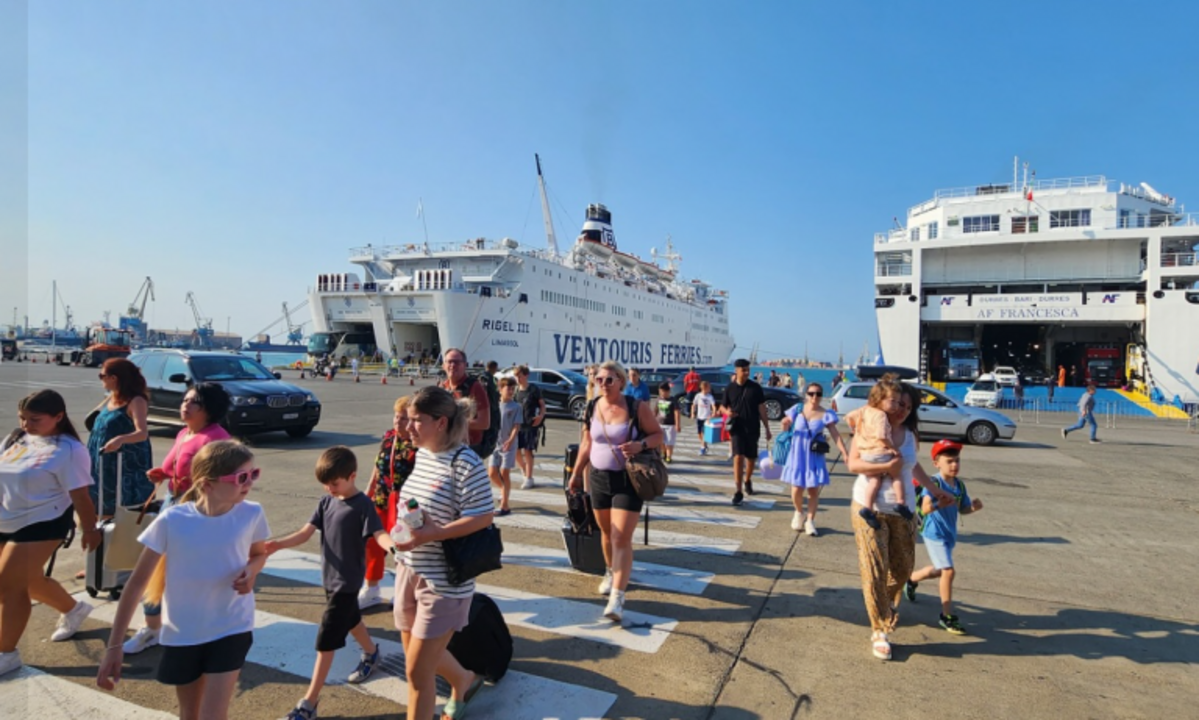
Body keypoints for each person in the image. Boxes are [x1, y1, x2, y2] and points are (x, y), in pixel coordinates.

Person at [97, 441, 270, 720]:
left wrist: (252, 570)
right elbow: (136, 584)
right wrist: (114, 647)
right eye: (241, 477)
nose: (249, 482)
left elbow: (259, 554)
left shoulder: (252, 513)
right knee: (189, 715)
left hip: (232, 626)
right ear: (207, 484)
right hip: (183, 633)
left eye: (253, 474)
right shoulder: (173, 520)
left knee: (212, 716)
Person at [268, 446, 397, 720]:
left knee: (326, 643)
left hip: (346, 584)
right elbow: (305, 533)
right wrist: (276, 544)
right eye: (325, 484)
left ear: (352, 476)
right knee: (351, 620)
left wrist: (395, 549)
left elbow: (378, 532)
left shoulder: (362, 504)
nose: (329, 488)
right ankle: (372, 653)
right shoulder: (326, 502)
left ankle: (309, 703)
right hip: (329, 578)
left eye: (334, 483)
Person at [393, 386, 494, 720]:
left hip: (443, 583)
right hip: (408, 570)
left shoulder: (464, 462)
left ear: (440, 422)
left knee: (417, 674)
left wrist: (436, 533)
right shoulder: (422, 454)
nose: (407, 428)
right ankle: (464, 679)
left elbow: (483, 516)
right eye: (407, 420)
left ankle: (461, 683)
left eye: (415, 421)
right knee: (416, 662)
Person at [121, 383, 232, 655]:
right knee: (155, 568)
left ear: (209, 408)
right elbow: (179, 469)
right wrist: (163, 474)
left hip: (198, 513)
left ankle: (171, 626)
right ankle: (154, 626)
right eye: (185, 400)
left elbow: (226, 482)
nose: (185, 405)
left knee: (174, 571)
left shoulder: (216, 439)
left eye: (194, 401)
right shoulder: (184, 433)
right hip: (173, 506)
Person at [847, 379, 954, 661]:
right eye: (898, 404)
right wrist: (885, 466)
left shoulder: (910, 433)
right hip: (868, 508)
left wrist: (935, 489)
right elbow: (853, 464)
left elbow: (913, 465)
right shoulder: (867, 428)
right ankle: (879, 628)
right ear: (884, 403)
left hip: (903, 510)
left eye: (908, 406)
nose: (903, 410)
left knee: (903, 569)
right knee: (874, 569)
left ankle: (885, 605)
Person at [0, 390, 101, 677]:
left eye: (35, 419)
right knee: (27, 580)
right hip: (6, 517)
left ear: (59, 417)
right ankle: (73, 609)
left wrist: (90, 529)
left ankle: (6, 653)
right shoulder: (15, 438)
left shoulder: (69, 450)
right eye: (22, 418)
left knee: (8, 586)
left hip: (43, 521)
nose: (26, 424)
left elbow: (81, 496)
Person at [568, 361, 663, 623]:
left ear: (621, 381)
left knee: (621, 537)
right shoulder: (591, 407)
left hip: (628, 480)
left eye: (609, 380)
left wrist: (639, 444)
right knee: (607, 533)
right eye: (599, 380)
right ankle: (610, 571)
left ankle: (618, 598)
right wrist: (576, 474)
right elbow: (586, 443)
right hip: (599, 478)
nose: (603, 384)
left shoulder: (636, 407)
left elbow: (658, 435)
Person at [905, 440, 984, 635]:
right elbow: (924, 508)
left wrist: (973, 508)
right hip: (934, 533)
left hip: (949, 535)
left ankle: (911, 579)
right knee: (948, 571)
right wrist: (938, 504)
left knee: (940, 570)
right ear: (936, 463)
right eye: (949, 461)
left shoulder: (959, 485)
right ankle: (946, 616)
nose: (954, 465)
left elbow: (962, 509)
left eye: (957, 461)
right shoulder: (934, 484)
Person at [361, 395, 417, 610]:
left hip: (406, 503)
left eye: (403, 418)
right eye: (396, 416)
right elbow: (378, 465)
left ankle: (402, 592)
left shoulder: (418, 443)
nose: (398, 422)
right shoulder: (389, 437)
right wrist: (369, 489)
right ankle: (372, 588)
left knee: (402, 547)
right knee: (373, 543)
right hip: (382, 498)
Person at [86, 358, 155, 519]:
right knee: (96, 506)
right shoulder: (111, 398)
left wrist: (120, 439)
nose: (100, 379)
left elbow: (142, 433)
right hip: (101, 460)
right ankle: (100, 539)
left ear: (114, 378)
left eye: (101, 375)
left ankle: (110, 539)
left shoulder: (136, 401)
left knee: (115, 508)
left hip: (121, 463)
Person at [779, 383, 848, 536]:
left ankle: (810, 520)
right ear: (806, 394)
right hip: (797, 454)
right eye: (811, 393)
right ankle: (799, 512)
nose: (814, 397)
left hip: (814, 455)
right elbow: (786, 429)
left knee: (813, 490)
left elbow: (835, 434)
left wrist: (844, 452)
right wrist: (784, 424)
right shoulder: (797, 409)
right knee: (796, 489)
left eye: (818, 394)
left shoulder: (826, 414)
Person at [844, 382, 907, 530]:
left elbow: (848, 417)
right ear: (879, 399)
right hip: (879, 452)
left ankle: (868, 507)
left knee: (874, 480)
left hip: (866, 453)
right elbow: (882, 436)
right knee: (896, 475)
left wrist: (855, 428)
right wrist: (893, 448)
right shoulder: (881, 415)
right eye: (893, 401)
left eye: (898, 402)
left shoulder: (864, 410)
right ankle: (900, 502)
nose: (896, 406)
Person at [722, 358, 772, 506]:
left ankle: (747, 479)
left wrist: (767, 428)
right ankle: (738, 491)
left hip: (752, 428)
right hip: (737, 428)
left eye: (748, 370)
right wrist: (728, 413)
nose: (746, 373)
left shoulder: (755, 388)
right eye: (743, 370)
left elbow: (762, 408)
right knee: (738, 457)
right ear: (736, 370)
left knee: (751, 459)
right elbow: (722, 407)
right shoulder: (730, 388)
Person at [439, 348, 491, 456]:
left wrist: (454, 424)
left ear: (465, 365)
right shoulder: (442, 386)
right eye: (449, 361)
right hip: (447, 444)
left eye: (457, 362)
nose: (453, 365)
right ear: (443, 365)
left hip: (469, 447)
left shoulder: (475, 387)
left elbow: (484, 423)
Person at [488, 376, 523, 516]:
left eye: (512, 389)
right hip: (495, 444)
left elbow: (516, 426)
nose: (511, 391)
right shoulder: (495, 405)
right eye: (508, 388)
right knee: (492, 473)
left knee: (504, 473)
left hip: (509, 444)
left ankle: (505, 505)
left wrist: (510, 440)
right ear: (500, 389)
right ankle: (504, 491)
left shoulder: (516, 407)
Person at [514, 365, 545, 490]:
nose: (517, 378)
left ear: (526, 375)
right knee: (516, 451)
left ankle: (529, 477)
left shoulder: (533, 389)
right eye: (516, 376)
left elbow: (542, 405)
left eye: (519, 376)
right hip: (516, 424)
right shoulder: (515, 390)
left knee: (528, 450)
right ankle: (523, 468)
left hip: (530, 424)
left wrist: (540, 416)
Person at [654, 382, 680, 463]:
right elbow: (655, 411)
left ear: (668, 391)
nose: (662, 393)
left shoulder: (673, 400)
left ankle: (669, 456)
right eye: (660, 391)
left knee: (669, 442)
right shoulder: (658, 399)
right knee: (661, 441)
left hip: (670, 425)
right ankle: (663, 453)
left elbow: (676, 412)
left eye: (663, 392)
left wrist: (677, 424)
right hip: (660, 424)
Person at [691, 380, 716, 456]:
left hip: (707, 417)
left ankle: (702, 448)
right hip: (699, 417)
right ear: (703, 388)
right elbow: (693, 405)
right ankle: (704, 445)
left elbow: (713, 406)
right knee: (699, 433)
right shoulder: (698, 396)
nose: (709, 389)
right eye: (708, 388)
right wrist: (692, 413)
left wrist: (713, 413)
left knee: (703, 433)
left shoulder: (710, 396)